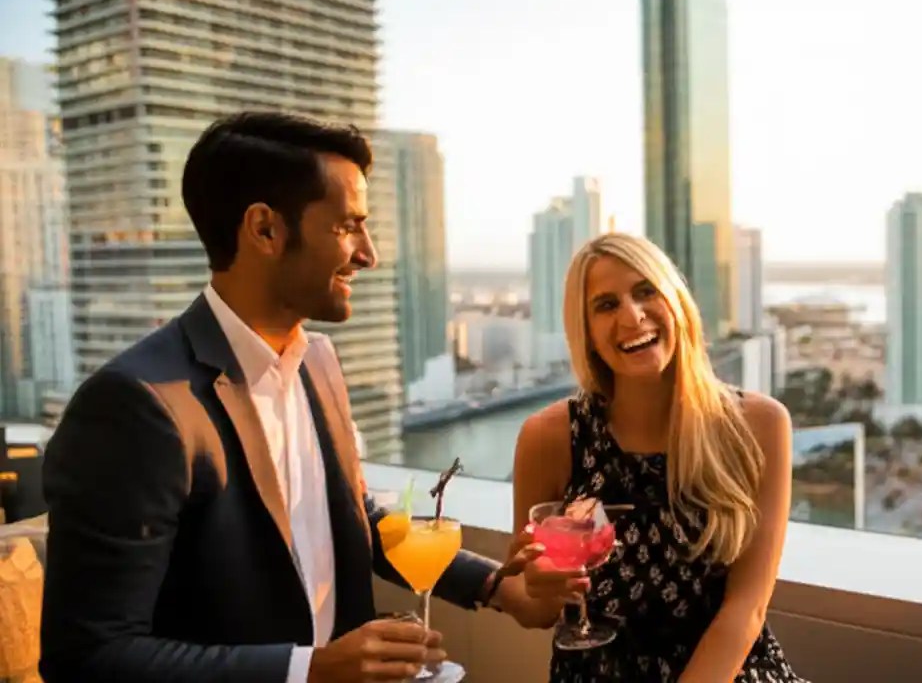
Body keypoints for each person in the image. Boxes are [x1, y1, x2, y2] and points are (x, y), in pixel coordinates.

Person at [39, 112, 572, 683]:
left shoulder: (318, 360)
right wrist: (308, 670)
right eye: (348, 227)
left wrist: (495, 586)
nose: (368, 254)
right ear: (265, 230)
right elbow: (87, 657)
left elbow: (349, 515)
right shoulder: (136, 405)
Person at [513, 233, 808, 682]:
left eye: (646, 291)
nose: (633, 316)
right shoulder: (548, 438)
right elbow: (537, 609)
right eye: (606, 305)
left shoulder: (759, 425)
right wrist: (538, 584)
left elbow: (747, 608)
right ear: (586, 331)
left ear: (677, 302)